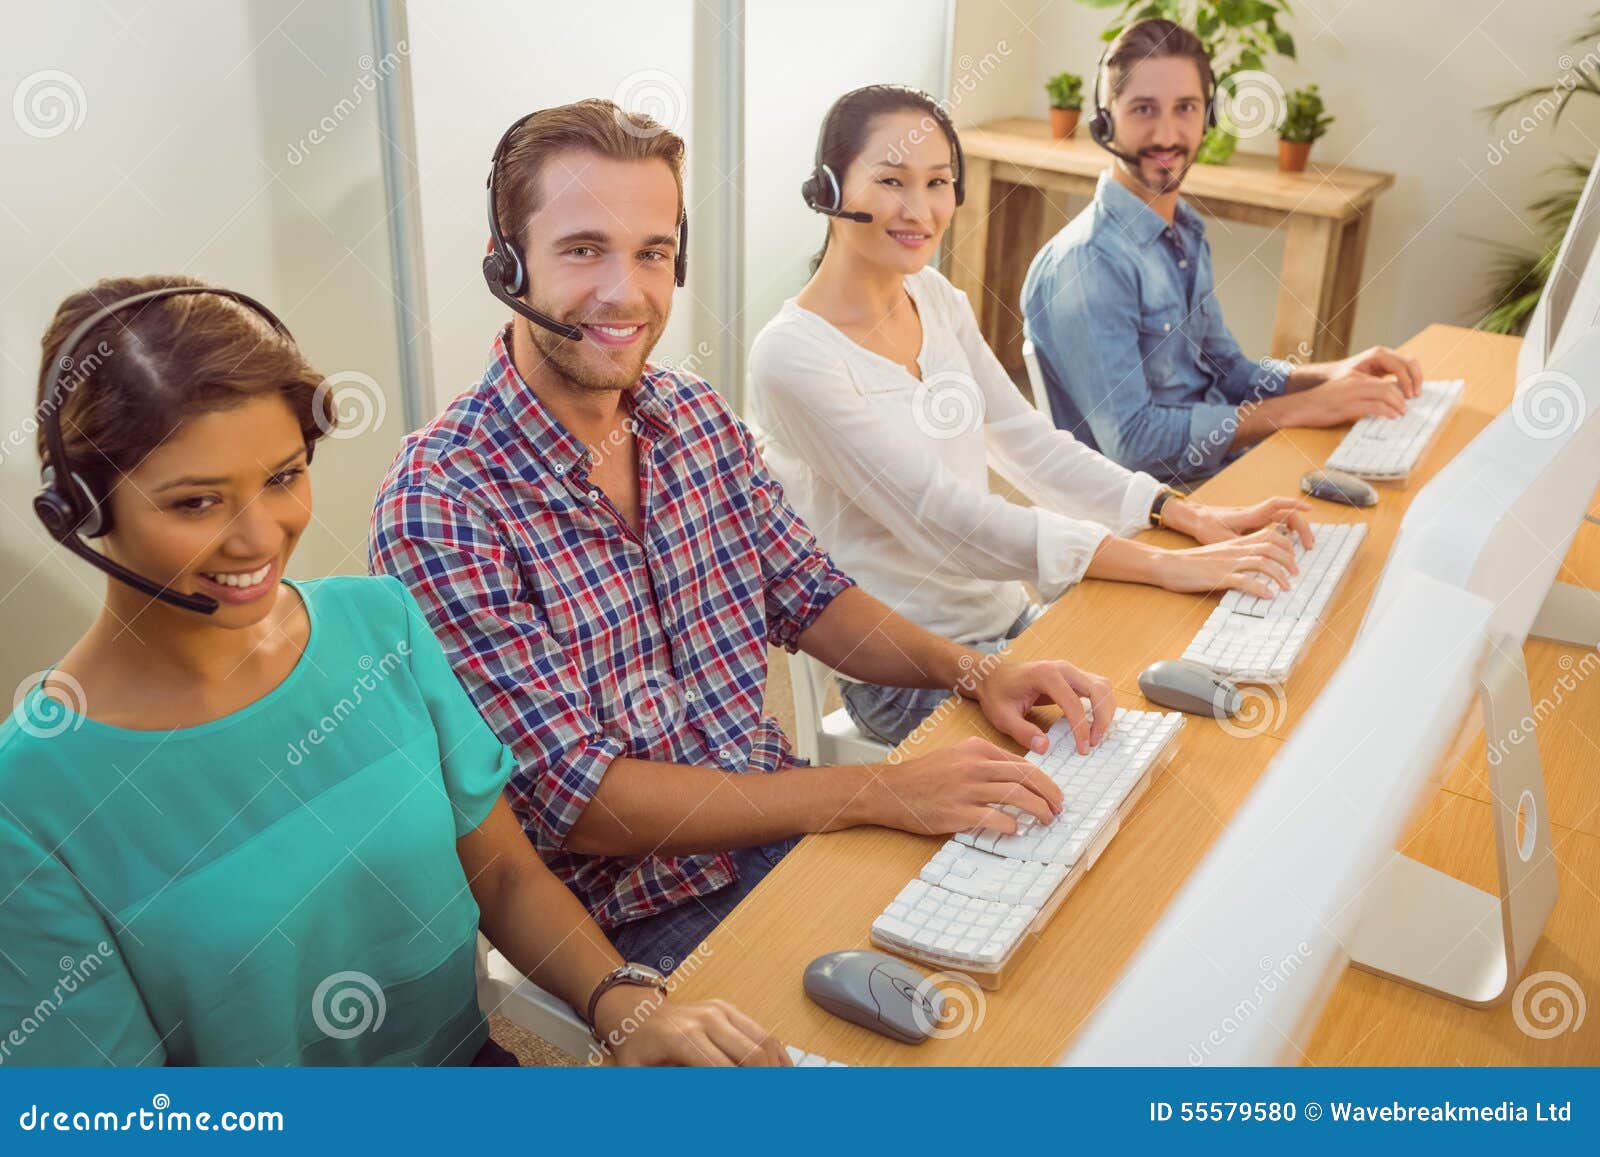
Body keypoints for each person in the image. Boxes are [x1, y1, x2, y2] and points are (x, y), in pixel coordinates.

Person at [370, 100, 1120, 973]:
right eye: (583, 250)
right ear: (509, 264)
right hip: (643, 912)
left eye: (652, 252)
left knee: (1061, 921)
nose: (625, 291)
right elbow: (583, 803)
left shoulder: (691, 414)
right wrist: (874, 790)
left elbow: (811, 595)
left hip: (793, 825)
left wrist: (976, 669)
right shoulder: (442, 498)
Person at [0, 274, 787, 1066]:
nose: (258, 537)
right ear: (82, 509)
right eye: (197, 502)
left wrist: (626, 1005)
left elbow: (508, 876)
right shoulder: (29, 801)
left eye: (282, 476)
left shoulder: (378, 625)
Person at [746, 83, 1314, 746]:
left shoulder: (934, 298)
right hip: (907, 673)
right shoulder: (792, 356)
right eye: (891, 181)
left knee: (1186, 711)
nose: (919, 209)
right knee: (1099, 757)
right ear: (829, 189)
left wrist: (1182, 514)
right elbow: (941, 520)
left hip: (1012, 623)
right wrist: (1161, 563)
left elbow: (1028, 446)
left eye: (938, 183)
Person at [1021, 18, 1424, 486]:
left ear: (1207, 117)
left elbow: (1229, 373)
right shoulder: (1088, 263)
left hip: (1221, 470)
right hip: (1163, 508)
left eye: (1186, 108)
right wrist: (1302, 409)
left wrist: (1332, 375)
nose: (1167, 134)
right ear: (1105, 121)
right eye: (1144, 109)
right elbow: (1135, 445)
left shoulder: (1183, 231)